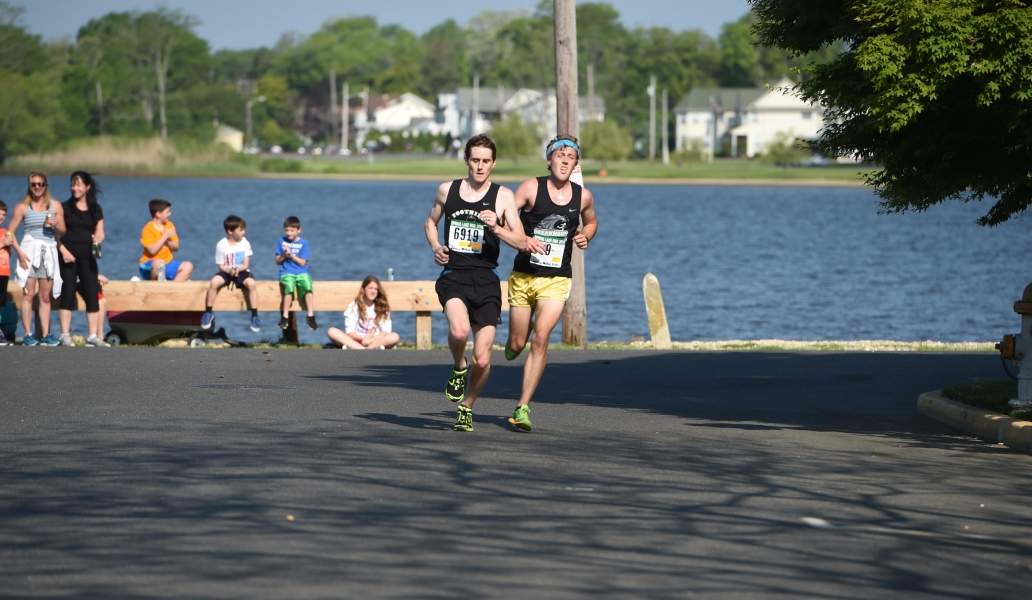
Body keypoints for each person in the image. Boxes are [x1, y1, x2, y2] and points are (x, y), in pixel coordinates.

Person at [424, 134, 544, 432]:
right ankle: (457, 367)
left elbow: (522, 241)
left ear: (493, 164)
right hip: (454, 275)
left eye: (485, 161)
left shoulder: (503, 197)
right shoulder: (446, 190)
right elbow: (430, 222)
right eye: (475, 160)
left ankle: (468, 405)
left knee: (482, 357)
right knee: (459, 329)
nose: (480, 166)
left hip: (486, 280)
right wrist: (436, 246)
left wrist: (497, 227)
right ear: (467, 160)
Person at [503, 135, 598, 432]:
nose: (565, 159)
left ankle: (522, 407)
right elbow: (507, 216)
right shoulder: (531, 188)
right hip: (524, 275)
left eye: (571, 156)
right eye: (560, 154)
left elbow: (592, 221)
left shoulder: (582, 196)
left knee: (541, 337)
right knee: (518, 343)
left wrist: (586, 235)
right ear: (550, 160)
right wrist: (519, 237)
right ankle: (515, 341)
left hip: (556, 279)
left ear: (576, 163)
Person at [7, 172, 66, 346]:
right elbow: (10, 233)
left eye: (40, 184)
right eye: (34, 184)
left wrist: (56, 225)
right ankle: (27, 334)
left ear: (46, 185)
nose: (37, 187)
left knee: (45, 297)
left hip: (47, 252)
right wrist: (19, 252)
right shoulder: (23, 207)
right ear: (29, 186)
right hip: (29, 252)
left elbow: (63, 231)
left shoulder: (55, 206)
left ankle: (46, 335)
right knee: (28, 294)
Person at [56, 171, 108, 347]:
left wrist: (98, 239)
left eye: (78, 185)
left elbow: (100, 231)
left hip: (88, 257)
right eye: (73, 184)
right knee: (68, 291)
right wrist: (63, 251)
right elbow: (55, 235)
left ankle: (92, 336)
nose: (75, 188)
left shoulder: (96, 209)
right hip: (68, 257)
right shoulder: (63, 207)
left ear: (87, 187)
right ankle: (65, 334)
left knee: (92, 293)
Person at [201, 214, 261, 333]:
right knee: (214, 282)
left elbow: (246, 264)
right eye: (240, 230)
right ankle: (208, 312)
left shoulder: (245, 243)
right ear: (230, 231)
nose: (244, 232)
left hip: (242, 271)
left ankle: (254, 315)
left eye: (243, 229)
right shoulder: (221, 245)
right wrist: (229, 270)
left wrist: (239, 269)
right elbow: (220, 265)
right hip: (226, 272)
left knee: (251, 284)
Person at [326, 275, 400, 350]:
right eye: (370, 288)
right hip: (356, 341)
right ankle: (361, 348)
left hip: (375, 341)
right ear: (364, 289)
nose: (373, 291)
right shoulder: (354, 306)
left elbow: (386, 332)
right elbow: (350, 332)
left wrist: (370, 340)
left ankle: (368, 348)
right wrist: (363, 339)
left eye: (376, 289)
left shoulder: (383, 307)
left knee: (395, 336)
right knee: (331, 331)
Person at [275, 215, 317, 330]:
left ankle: (310, 315)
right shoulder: (281, 241)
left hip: (301, 272)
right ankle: (285, 316)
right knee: (288, 288)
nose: (289, 233)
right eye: (287, 230)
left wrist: (292, 256)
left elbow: (303, 262)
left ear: (299, 230)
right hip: (287, 272)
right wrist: (284, 255)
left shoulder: (304, 243)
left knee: (307, 286)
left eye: (292, 230)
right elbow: (277, 261)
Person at [139, 198, 193, 282]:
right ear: (158, 214)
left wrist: (167, 240)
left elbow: (176, 247)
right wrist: (165, 236)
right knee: (160, 264)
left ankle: (172, 290)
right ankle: (159, 287)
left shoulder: (169, 225)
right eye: (167, 212)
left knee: (188, 266)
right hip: (149, 265)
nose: (169, 214)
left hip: (168, 263)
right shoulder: (147, 229)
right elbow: (152, 251)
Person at [0, 199, 11, 346]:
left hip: (4, 272)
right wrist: (3, 243)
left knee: (1, 303)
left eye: (4, 214)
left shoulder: (4, 232)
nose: (1, 217)